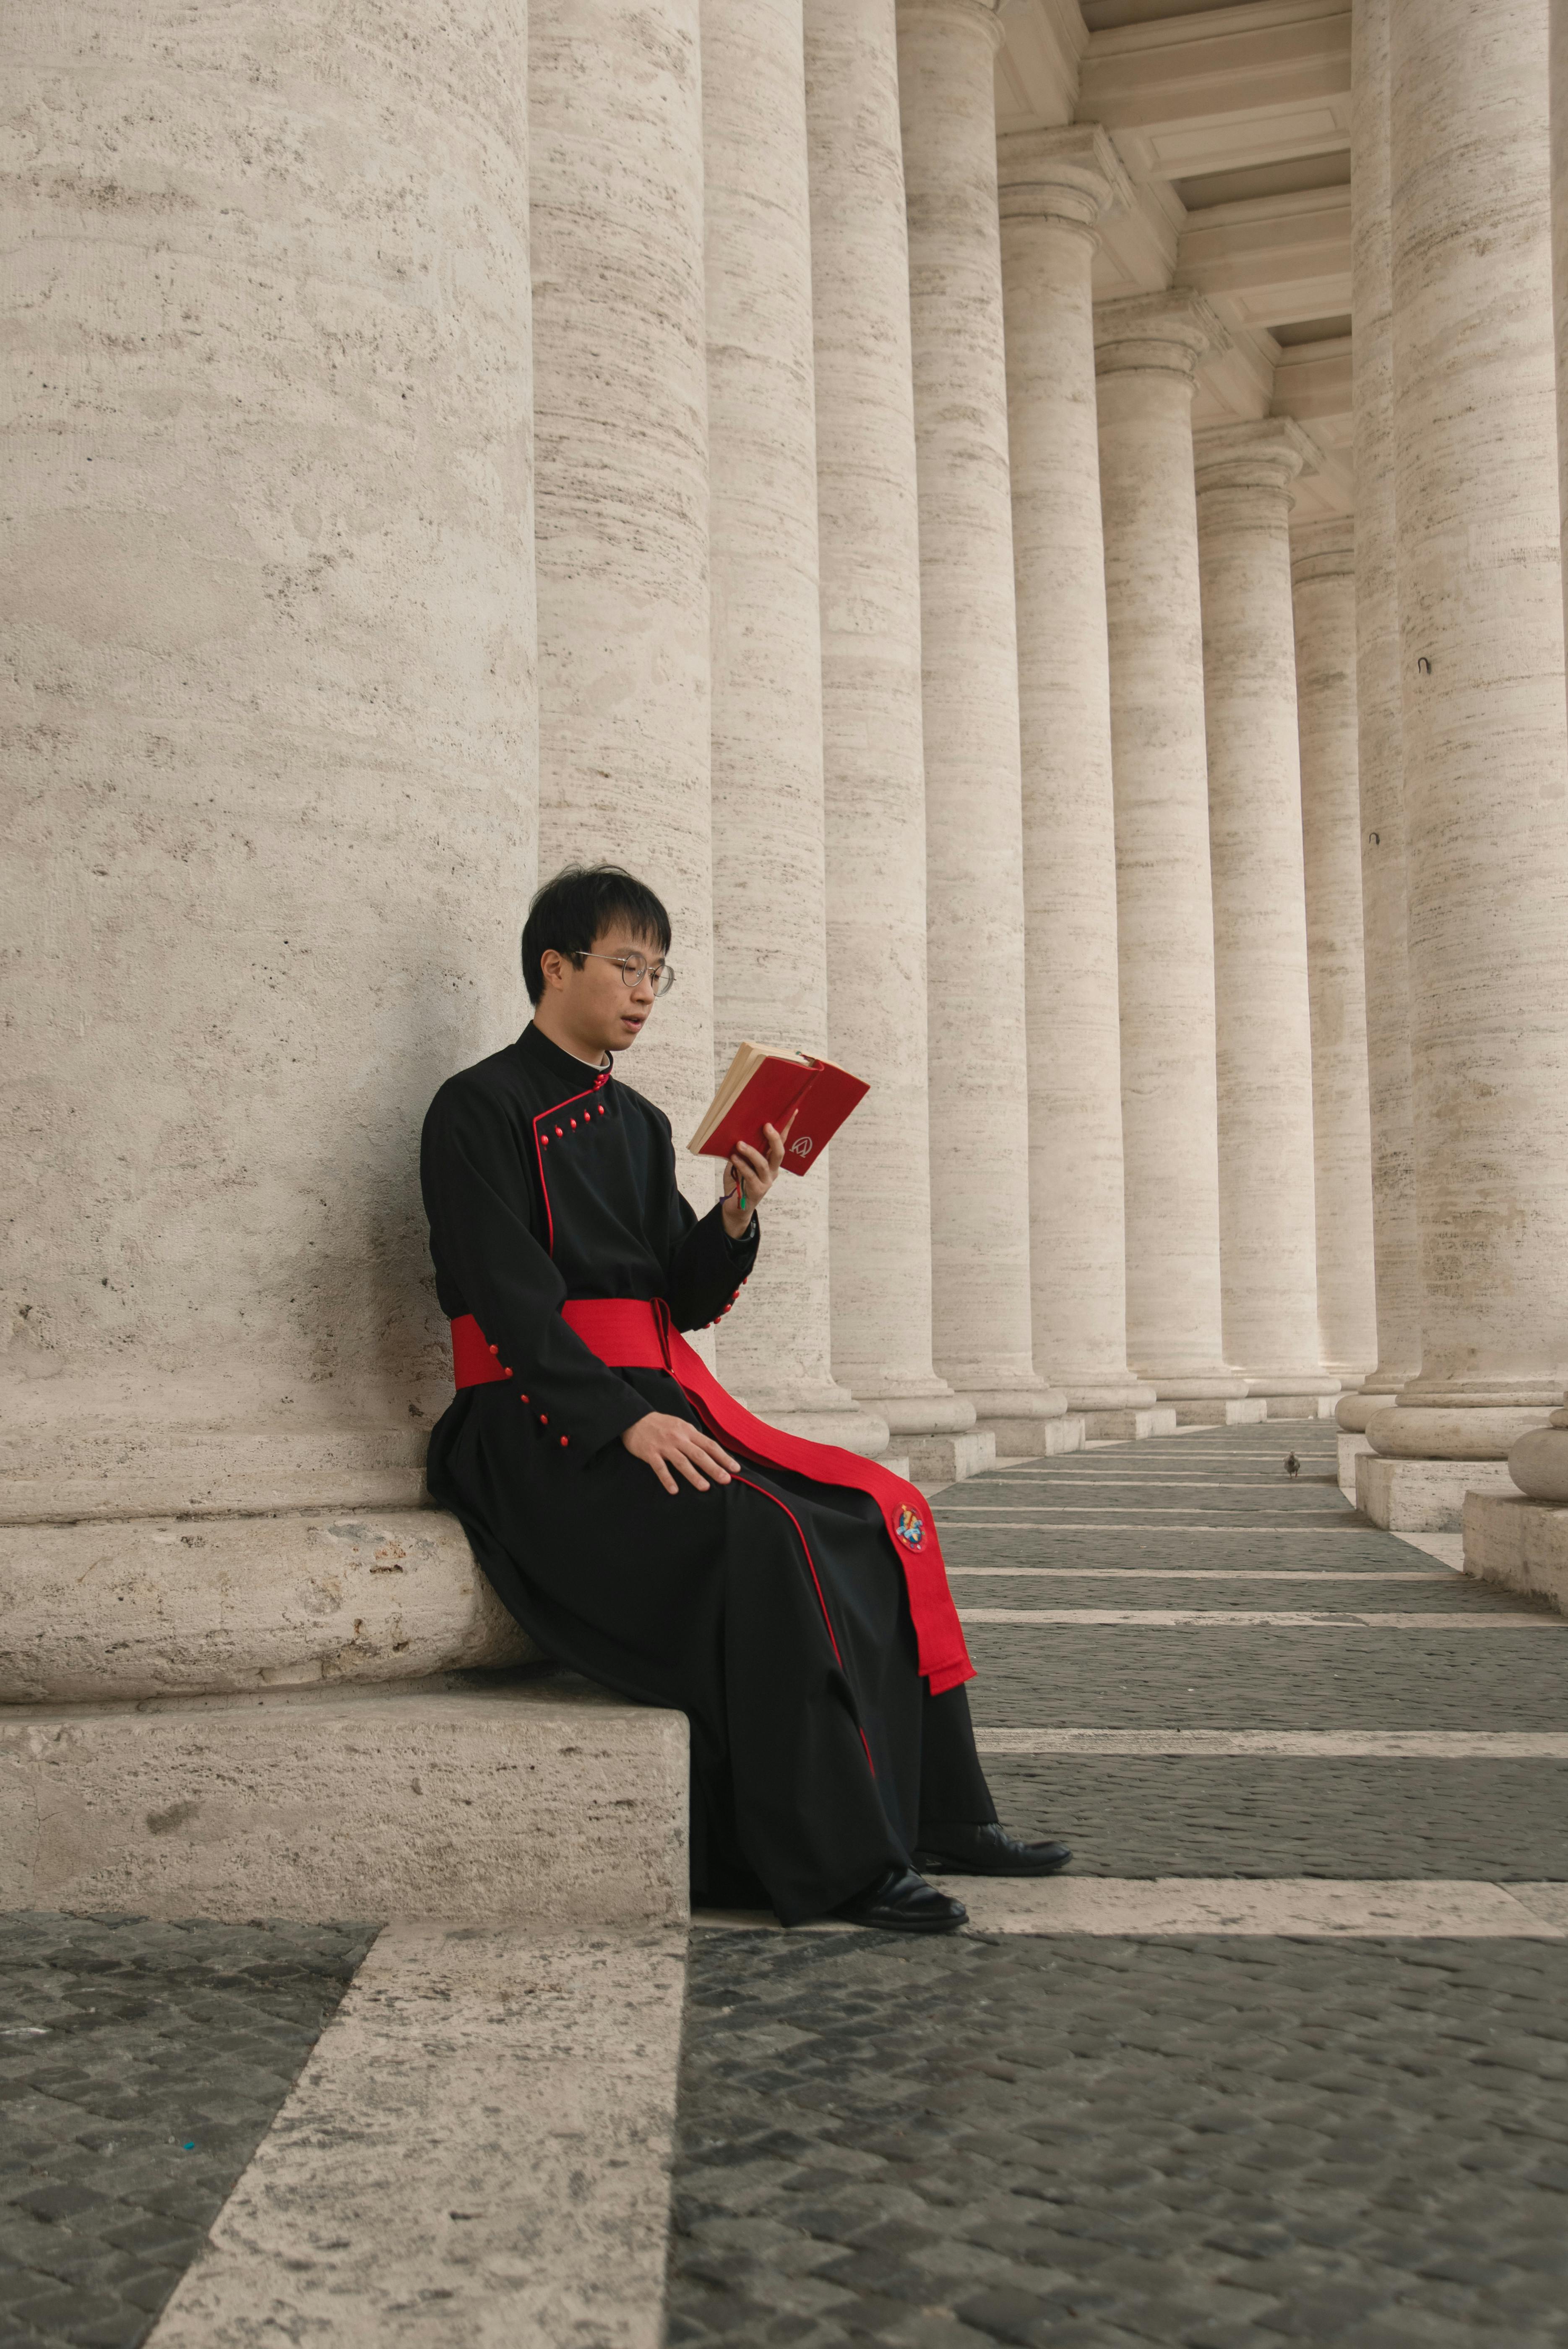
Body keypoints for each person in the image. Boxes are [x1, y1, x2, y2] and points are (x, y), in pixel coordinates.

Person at [420, 863, 1071, 1931]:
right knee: (766, 1532)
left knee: (880, 1510)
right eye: (627, 964)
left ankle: (946, 1811)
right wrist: (623, 1419)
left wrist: (732, 1213)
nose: (643, 989)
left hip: (659, 1398)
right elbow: (510, 1306)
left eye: (658, 973)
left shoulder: (636, 1122)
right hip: (542, 1432)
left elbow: (681, 1295)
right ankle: (839, 1862)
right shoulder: (477, 1107)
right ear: (556, 964)